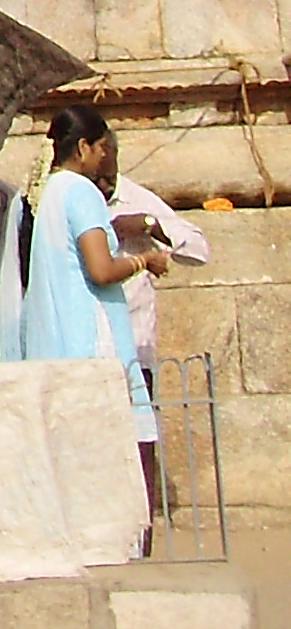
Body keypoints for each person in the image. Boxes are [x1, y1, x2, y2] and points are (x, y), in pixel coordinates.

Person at [5, 106, 166, 504]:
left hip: (58, 340)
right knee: (129, 439)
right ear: (82, 147)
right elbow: (101, 269)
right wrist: (145, 261)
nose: (103, 158)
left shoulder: (49, 192)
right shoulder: (80, 191)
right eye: (100, 149)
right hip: (92, 337)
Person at [108, 169, 209, 520]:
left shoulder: (137, 198)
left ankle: (142, 532)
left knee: (139, 442)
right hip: (88, 343)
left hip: (135, 344)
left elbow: (197, 247)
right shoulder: (67, 194)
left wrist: (150, 225)